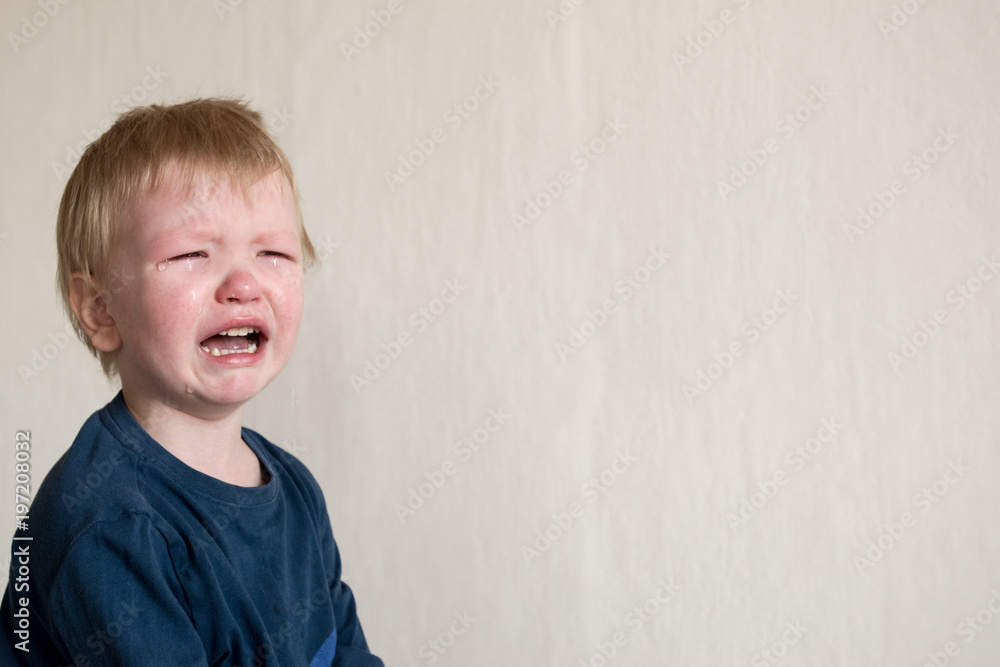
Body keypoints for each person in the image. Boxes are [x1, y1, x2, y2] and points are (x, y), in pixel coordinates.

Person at [0, 98, 384, 666]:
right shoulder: (111, 527)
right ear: (101, 308)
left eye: (273, 252)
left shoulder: (295, 490)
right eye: (191, 254)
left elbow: (346, 654)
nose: (243, 284)